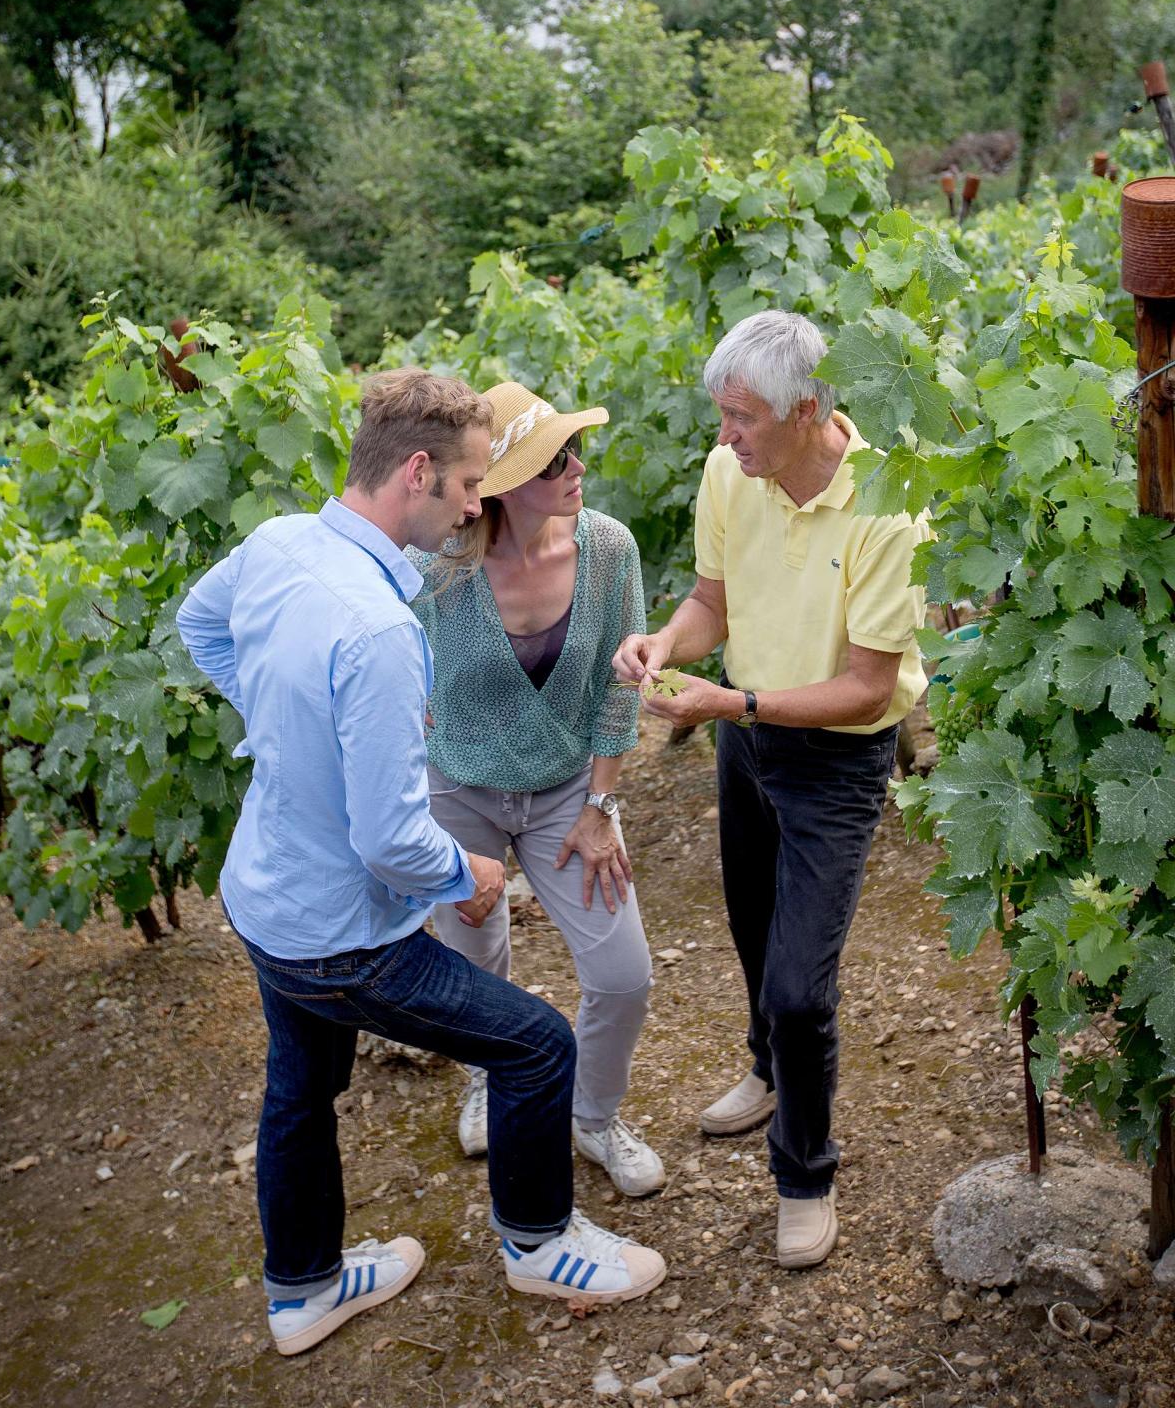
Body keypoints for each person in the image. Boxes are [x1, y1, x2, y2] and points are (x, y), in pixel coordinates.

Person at [176, 368, 666, 1358]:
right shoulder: (382, 630)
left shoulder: (279, 544)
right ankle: (539, 1243)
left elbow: (200, 625)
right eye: (468, 484)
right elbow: (390, 843)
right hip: (343, 930)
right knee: (534, 1046)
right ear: (415, 473)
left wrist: (287, 727)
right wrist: (469, 876)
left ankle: (304, 1290)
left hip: (263, 900)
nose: (477, 504)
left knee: (298, 1091)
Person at [613, 311, 929, 1271]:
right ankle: (766, 1076)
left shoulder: (888, 509)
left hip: (835, 759)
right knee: (753, 929)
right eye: (720, 414)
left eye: (741, 417)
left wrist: (735, 700)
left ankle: (804, 1174)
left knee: (800, 987)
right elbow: (712, 601)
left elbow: (870, 686)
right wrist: (668, 646)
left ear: (808, 410)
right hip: (747, 742)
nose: (723, 436)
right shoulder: (730, 475)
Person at [413, 381, 665, 1199]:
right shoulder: (436, 569)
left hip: (566, 796)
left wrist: (601, 808)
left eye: (574, 449)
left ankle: (593, 1116)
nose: (577, 465)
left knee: (624, 974)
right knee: (477, 956)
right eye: (554, 457)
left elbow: (618, 691)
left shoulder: (609, 550)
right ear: (502, 483)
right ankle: (488, 1078)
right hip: (461, 793)